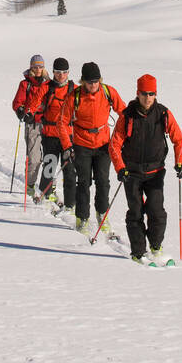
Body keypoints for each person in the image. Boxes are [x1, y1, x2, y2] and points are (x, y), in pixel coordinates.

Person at [109, 73, 182, 264]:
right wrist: (120, 168)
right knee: (135, 212)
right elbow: (114, 145)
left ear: (156, 94)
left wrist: (180, 163)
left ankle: (156, 246)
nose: (148, 97)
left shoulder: (163, 114)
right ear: (138, 93)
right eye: (144, 93)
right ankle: (138, 252)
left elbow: (179, 139)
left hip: (155, 173)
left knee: (156, 211)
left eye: (151, 93)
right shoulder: (127, 115)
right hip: (131, 173)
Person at [60, 62, 126, 234]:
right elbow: (63, 123)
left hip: (104, 144)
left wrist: (122, 135)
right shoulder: (74, 96)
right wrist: (67, 146)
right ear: (83, 82)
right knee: (83, 183)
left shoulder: (108, 92)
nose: (93, 85)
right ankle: (82, 218)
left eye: (96, 81)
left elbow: (124, 114)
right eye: (89, 82)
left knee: (103, 182)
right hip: (82, 144)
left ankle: (102, 215)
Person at [36, 57, 77, 210]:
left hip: (68, 135)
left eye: (65, 72)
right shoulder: (47, 87)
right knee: (50, 165)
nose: (61, 75)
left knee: (69, 170)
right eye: (58, 72)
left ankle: (70, 203)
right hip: (50, 134)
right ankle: (46, 194)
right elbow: (36, 101)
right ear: (53, 72)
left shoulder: (74, 89)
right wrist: (28, 112)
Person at [12, 54, 50, 199]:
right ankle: (30, 185)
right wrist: (21, 110)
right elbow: (17, 102)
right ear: (31, 67)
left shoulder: (49, 83)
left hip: (48, 124)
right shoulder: (25, 84)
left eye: (40, 66)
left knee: (50, 157)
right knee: (34, 159)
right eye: (35, 66)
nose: (38, 69)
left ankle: (47, 187)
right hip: (32, 124)